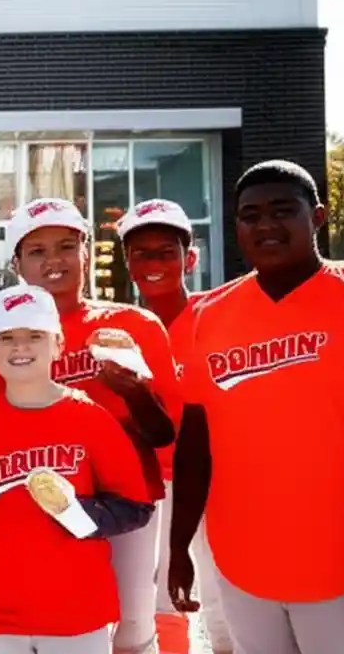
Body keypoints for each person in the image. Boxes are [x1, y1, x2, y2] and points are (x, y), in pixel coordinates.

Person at [167, 160, 344, 653]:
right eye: (250, 215)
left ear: (317, 217)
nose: (266, 225)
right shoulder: (207, 316)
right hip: (243, 565)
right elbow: (195, 446)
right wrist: (179, 549)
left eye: (283, 210)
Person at [0, 197, 179, 654]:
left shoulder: (133, 325)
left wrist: (133, 391)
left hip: (126, 503)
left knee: (133, 629)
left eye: (65, 246)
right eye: (36, 251)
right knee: (55, 628)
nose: (53, 261)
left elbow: (166, 434)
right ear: (17, 263)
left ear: (87, 252)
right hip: (38, 512)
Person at [0, 283, 155, 654]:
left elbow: (135, 506)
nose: (21, 347)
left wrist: (74, 512)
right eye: (7, 338)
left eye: (34, 336)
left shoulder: (90, 418)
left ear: (58, 344)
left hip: (77, 613)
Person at [115, 199, 231, 654]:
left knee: (224, 602)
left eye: (166, 252)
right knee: (164, 600)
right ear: (127, 262)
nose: (154, 264)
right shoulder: (119, 330)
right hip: (154, 484)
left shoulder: (219, 317)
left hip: (217, 480)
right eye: (141, 253)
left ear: (190, 258)